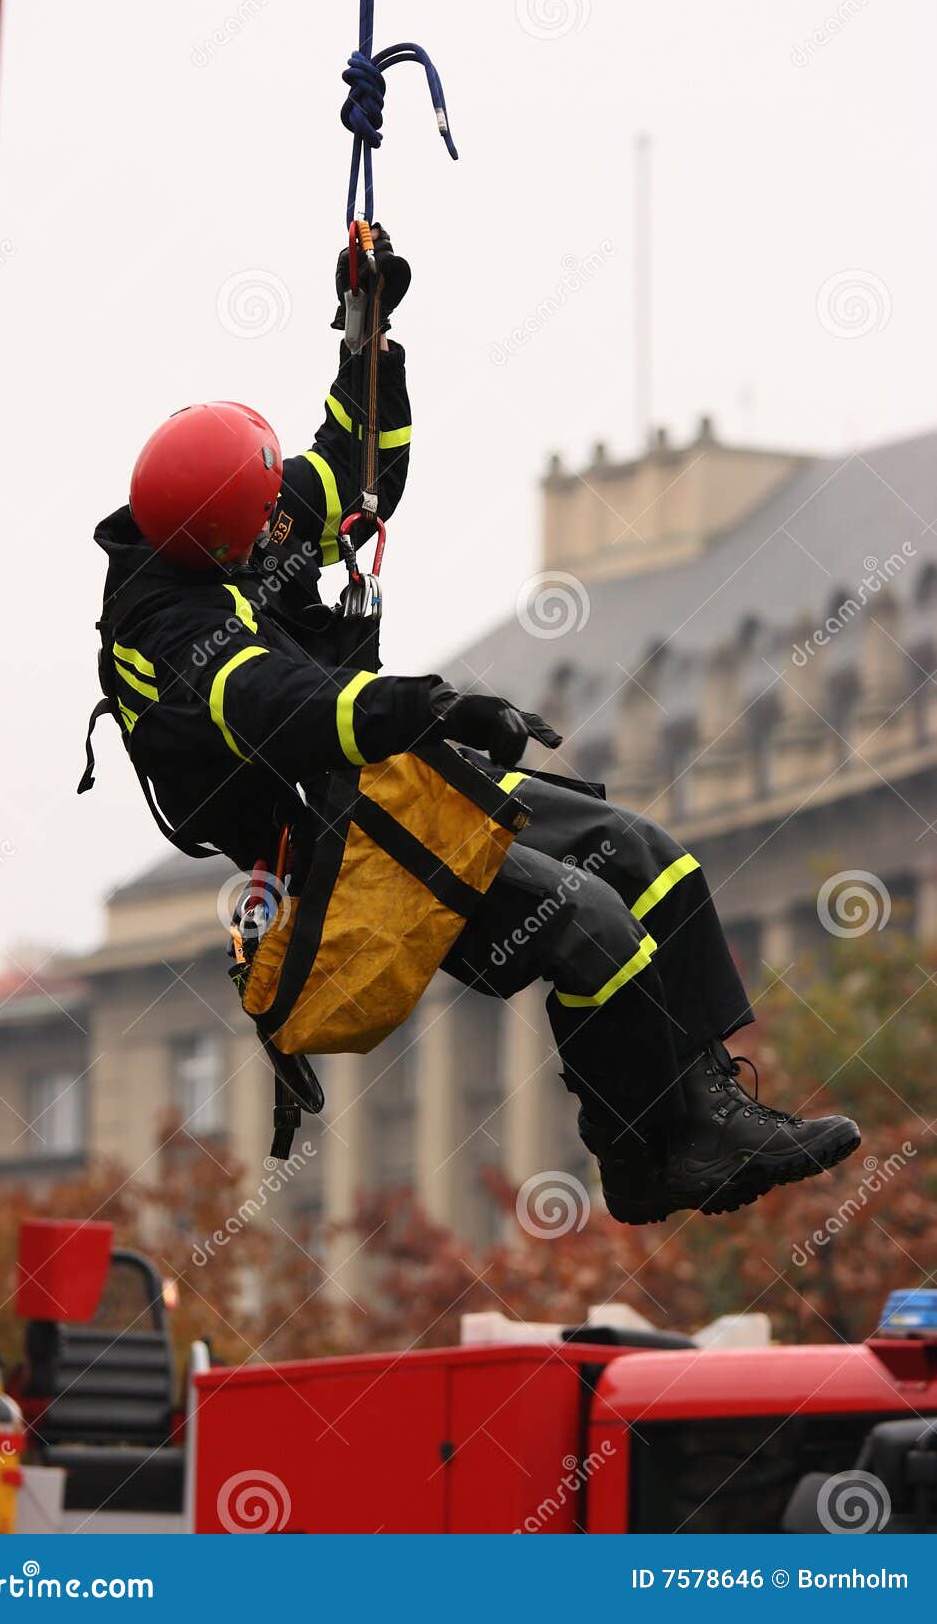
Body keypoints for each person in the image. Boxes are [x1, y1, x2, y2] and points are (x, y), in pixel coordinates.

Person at [84, 230, 860, 1226]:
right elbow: (289, 709)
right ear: (231, 539)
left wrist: (368, 333)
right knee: (586, 922)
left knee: (645, 855)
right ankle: (643, 1156)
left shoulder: (236, 511)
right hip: (328, 846)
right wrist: (430, 704)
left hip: (377, 781)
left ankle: (707, 1111)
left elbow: (354, 480)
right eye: (271, 522)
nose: (290, 526)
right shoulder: (171, 627)